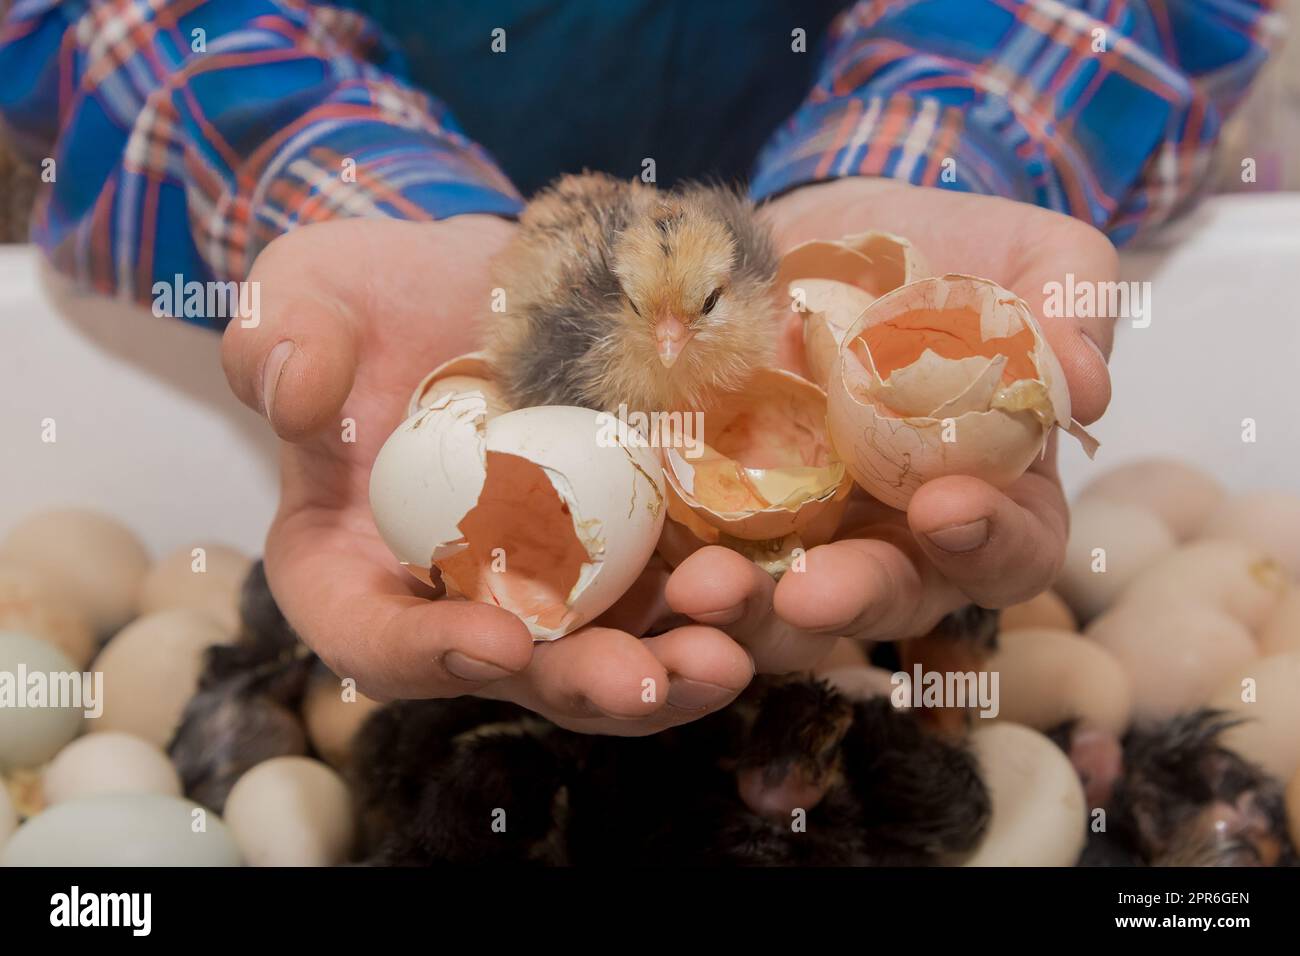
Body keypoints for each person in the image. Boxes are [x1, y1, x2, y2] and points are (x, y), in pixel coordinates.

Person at [0, 0, 1278, 734]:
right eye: (648, 322)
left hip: (801, 169)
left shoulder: (745, 316)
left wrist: (932, 150)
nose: (672, 342)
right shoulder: (567, 327)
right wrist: (327, 184)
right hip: (421, 179)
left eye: (702, 315)